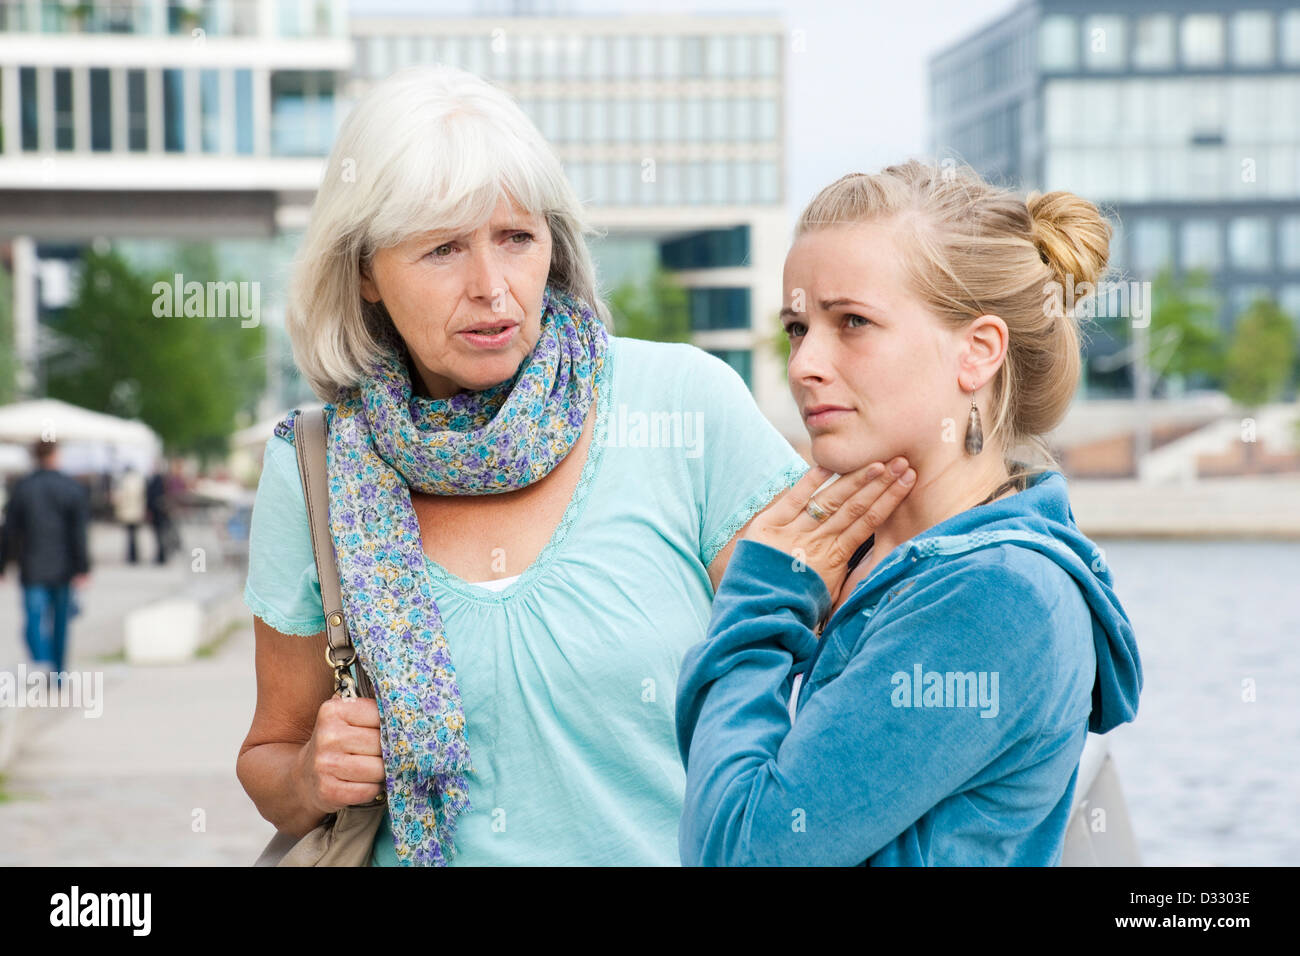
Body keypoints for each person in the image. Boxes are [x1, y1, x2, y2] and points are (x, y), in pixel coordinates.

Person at [235, 64, 827, 867]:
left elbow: (821, 674)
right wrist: (311, 775)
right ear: (366, 272)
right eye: (443, 249)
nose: (493, 288)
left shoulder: (684, 404)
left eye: (516, 238)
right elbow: (269, 755)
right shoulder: (315, 465)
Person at [675, 161, 1144, 866]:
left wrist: (759, 602)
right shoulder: (892, 569)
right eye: (798, 327)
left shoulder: (994, 596)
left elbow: (740, 852)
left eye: (852, 322)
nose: (804, 363)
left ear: (978, 353)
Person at [0, 439, 91, 679]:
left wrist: (3, 563)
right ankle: (58, 673)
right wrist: (82, 567)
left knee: (33, 622)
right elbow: (79, 533)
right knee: (60, 623)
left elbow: (8, 531)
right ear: (56, 455)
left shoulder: (22, 488)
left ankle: (42, 663)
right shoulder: (71, 487)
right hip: (64, 567)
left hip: (32, 566)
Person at [112, 464, 147, 565]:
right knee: (135, 535)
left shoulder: (124, 481)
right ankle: (135, 555)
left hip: (128, 511)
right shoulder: (139, 481)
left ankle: (131, 556)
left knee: (130, 535)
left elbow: (120, 497)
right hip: (137, 510)